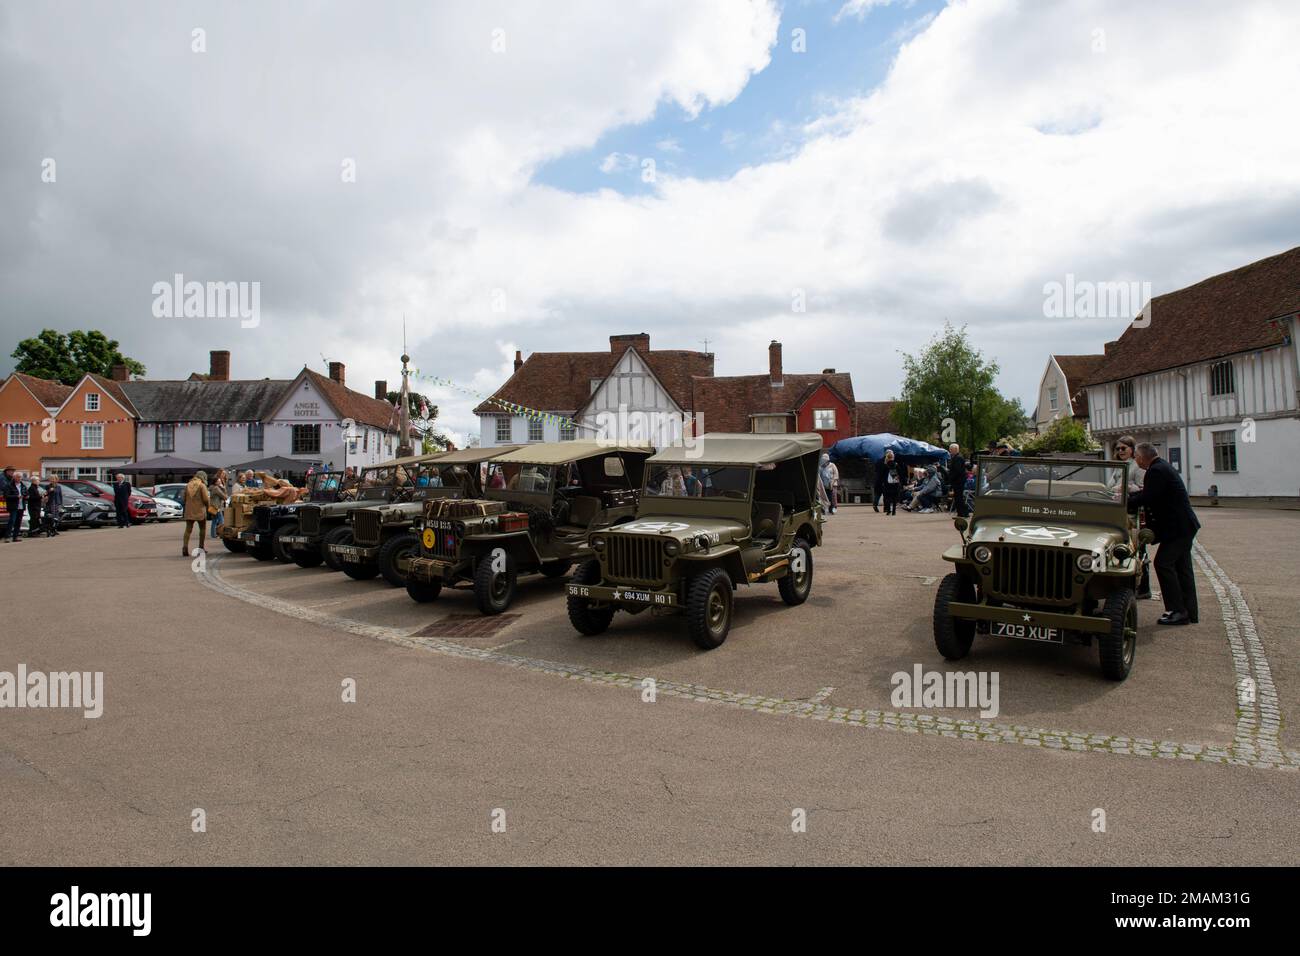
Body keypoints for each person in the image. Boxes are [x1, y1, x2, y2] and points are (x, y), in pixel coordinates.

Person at [1127, 443, 1200, 625]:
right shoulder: (1160, 467)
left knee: (1163, 564)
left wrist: (1126, 502)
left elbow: (1149, 497)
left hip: (1178, 529)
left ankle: (1177, 610)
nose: (1135, 459)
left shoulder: (1156, 470)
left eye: (1136, 456)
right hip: (1182, 527)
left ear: (1143, 457)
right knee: (1182, 569)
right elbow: (1150, 493)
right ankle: (1188, 611)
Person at [1114, 436, 1152, 599]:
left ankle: (1143, 587)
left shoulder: (1137, 466)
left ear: (1132, 449)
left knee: (1137, 548)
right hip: (1118, 510)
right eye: (1118, 448)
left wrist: (1127, 488)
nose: (1120, 451)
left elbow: (1143, 489)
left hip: (1132, 512)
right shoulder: (1119, 466)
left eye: (1124, 448)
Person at [182, 470, 211, 557]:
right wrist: (208, 506)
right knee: (202, 529)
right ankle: (201, 548)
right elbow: (206, 499)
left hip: (189, 511)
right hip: (200, 511)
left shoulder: (188, 485)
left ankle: (185, 547)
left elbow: (184, 498)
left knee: (188, 530)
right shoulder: (202, 485)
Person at [2, 466, 23, 543]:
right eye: (18, 477)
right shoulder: (9, 486)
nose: (19, 478)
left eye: (20, 477)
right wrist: (16, 496)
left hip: (21, 505)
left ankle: (15, 537)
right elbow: (6, 495)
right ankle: (7, 537)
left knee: (18, 521)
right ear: (14, 478)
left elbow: (25, 492)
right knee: (12, 521)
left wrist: (26, 495)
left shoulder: (22, 485)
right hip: (13, 505)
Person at [881, 450, 904, 516]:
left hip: (887, 483)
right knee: (894, 497)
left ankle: (888, 510)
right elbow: (901, 473)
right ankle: (894, 511)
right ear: (893, 457)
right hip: (895, 482)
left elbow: (882, 475)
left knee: (887, 497)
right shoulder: (896, 464)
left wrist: (882, 481)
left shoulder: (885, 465)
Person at [947, 444, 967, 516]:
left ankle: (962, 513)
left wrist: (951, 477)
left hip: (958, 481)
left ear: (955, 449)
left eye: (951, 450)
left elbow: (957, 470)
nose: (950, 451)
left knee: (959, 497)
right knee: (958, 497)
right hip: (958, 481)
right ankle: (962, 513)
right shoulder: (957, 457)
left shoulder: (957, 458)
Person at [209, 469, 228, 538]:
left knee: (214, 521)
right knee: (222, 521)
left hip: (213, 506)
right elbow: (224, 497)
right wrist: (223, 488)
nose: (220, 483)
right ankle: (222, 533)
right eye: (219, 482)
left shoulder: (212, 487)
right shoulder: (216, 488)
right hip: (217, 507)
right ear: (215, 482)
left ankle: (213, 534)